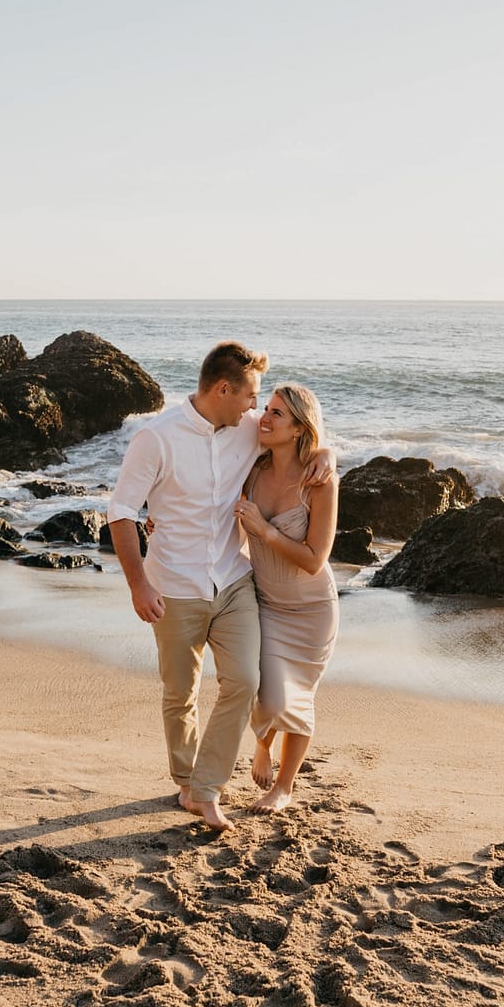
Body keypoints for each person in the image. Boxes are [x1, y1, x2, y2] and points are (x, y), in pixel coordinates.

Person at [107, 343, 333, 830]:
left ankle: (207, 789)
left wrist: (329, 455)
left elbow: (302, 436)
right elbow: (122, 512)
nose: (256, 408)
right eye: (250, 396)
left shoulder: (248, 429)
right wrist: (138, 585)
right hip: (176, 586)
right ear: (224, 389)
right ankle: (188, 783)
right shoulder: (156, 438)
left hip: (233, 580)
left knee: (245, 683)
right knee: (180, 692)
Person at [232, 385, 338, 814]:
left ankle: (285, 787)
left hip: (313, 610)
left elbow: (315, 560)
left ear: (298, 429)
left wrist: (265, 531)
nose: (266, 418)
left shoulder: (320, 482)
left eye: (278, 414)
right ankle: (263, 745)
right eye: (268, 409)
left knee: (298, 698)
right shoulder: (252, 470)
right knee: (269, 696)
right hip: (267, 603)